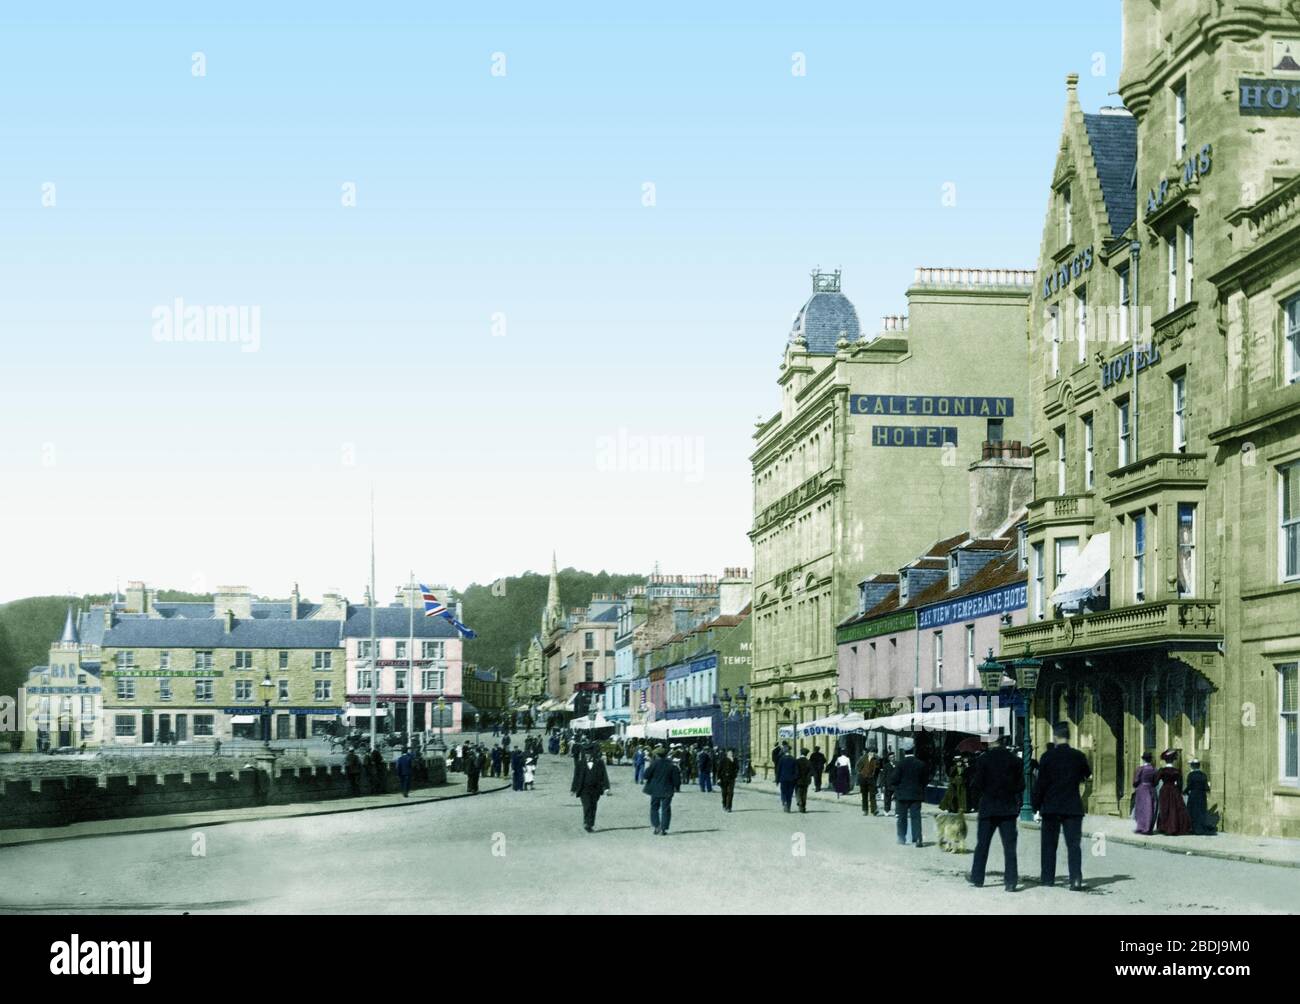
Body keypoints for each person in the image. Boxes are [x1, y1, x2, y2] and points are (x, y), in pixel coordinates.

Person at [1032, 722, 1092, 891]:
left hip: (1051, 807)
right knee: (1073, 845)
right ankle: (1076, 879)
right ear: (1068, 736)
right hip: (1072, 806)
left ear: (1055, 737)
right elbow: (1087, 774)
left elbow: (1040, 785)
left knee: (1049, 845)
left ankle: (1047, 878)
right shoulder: (1078, 756)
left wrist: (1036, 806)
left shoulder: (1047, 757)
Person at [966, 733, 1023, 891]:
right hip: (1008, 808)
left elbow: (976, 784)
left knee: (982, 845)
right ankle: (1011, 882)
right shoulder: (1014, 760)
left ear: (990, 742)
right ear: (1002, 741)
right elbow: (1021, 786)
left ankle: (977, 878)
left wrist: (979, 799)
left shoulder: (983, 760)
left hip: (988, 807)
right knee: (1009, 847)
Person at [890, 739, 927, 846]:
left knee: (902, 817)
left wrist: (898, 788)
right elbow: (925, 780)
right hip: (916, 795)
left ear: (903, 751)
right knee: (916, 817)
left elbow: (893, 779)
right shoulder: (920, 764)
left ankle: (902, 838)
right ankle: (918, 839)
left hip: (902, 795)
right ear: (914, 750)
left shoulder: (900, 764)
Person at [642, 745, 682, 835]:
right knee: (666, 809)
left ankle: (656, 826)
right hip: (668, 789)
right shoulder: (671, 765)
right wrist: (677, 787)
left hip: (655, 789)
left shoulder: (654, 764)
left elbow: (645, 775)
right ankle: (664, 828)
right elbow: (677, 779)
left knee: (654, 808)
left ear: (657, 755)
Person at [572, 748, 611, 832]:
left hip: (596, 789)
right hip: (584, 789)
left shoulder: (599, 763)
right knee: (587, 806)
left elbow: (604, 776)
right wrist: (573, 788)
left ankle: (591, 824)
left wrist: (606, 788)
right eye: (586, 755)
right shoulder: (579, 763)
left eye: (589, 754)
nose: (587, 756)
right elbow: (576, 777)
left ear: (593, 754)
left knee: (593, 806)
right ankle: (586, 823)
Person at [1155, 749, 1193, 836]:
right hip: (1174, 789)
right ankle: (1174, 826)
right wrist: (1178, 791)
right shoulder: (1176, 771)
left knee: (1165, 808)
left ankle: (1164, 827)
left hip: (1164, 790)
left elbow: (1156, 781)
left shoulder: (1162, 770)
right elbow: (1180, 784)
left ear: (1165, 760)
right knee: (1174, 808)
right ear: (1173, 760)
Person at [1185, 757, 1215, 835]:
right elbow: (1206, 787)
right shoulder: (1203, 775)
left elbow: (1189, 786)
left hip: (1193, 795)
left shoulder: (1191, 775)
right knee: (1201, 811)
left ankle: (1193, 828)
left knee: (1192, 811)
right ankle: (1200, 828)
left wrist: (1185, 792)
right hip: (1202, 795)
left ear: (1192, 766)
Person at [1132, 752, 1157, 835]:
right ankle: (1148, 828)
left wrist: (1136, 785)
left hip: (1142, 789)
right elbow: (1155, 781)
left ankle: (1141, 827)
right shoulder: (1154, 769)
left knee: (1141, 808)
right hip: (1151, 789)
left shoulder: (1141, 769)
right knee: (1150, 808)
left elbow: (1135, 781)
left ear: (1143, 759)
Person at [776, 745, 799, 812]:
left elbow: (778, 770)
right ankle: (788, 806)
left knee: (783, 792)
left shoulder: (781, 759)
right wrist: (795, 778)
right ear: (789, 751)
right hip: (791, 779)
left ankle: (784, 801)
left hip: (783, 779)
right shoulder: (793, 759)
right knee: (790, 793)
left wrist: (777, 780)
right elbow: (796, 771)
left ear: (784, 751)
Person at [857, 750, 880, 816]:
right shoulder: (863, 758)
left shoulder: (876, 759)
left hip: (871, 779)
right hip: (863, 779)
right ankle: (865, 810)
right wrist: (861, 773)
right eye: (871, 752)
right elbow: (858, 766)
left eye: (874, 752)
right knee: (864, 795)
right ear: (868, 753)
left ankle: (874, 810)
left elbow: (878, 769)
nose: (873, 754)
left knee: (872, 795)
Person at [794, 748, 813, 812]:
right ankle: (803, 806)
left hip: (798, 780)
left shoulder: (797, 761)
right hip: (806, 780)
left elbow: (796, 771)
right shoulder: (809, 762)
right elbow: (811, 772)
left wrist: (795, 778)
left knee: (798, 792)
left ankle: (800, 803)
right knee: (804, 793)